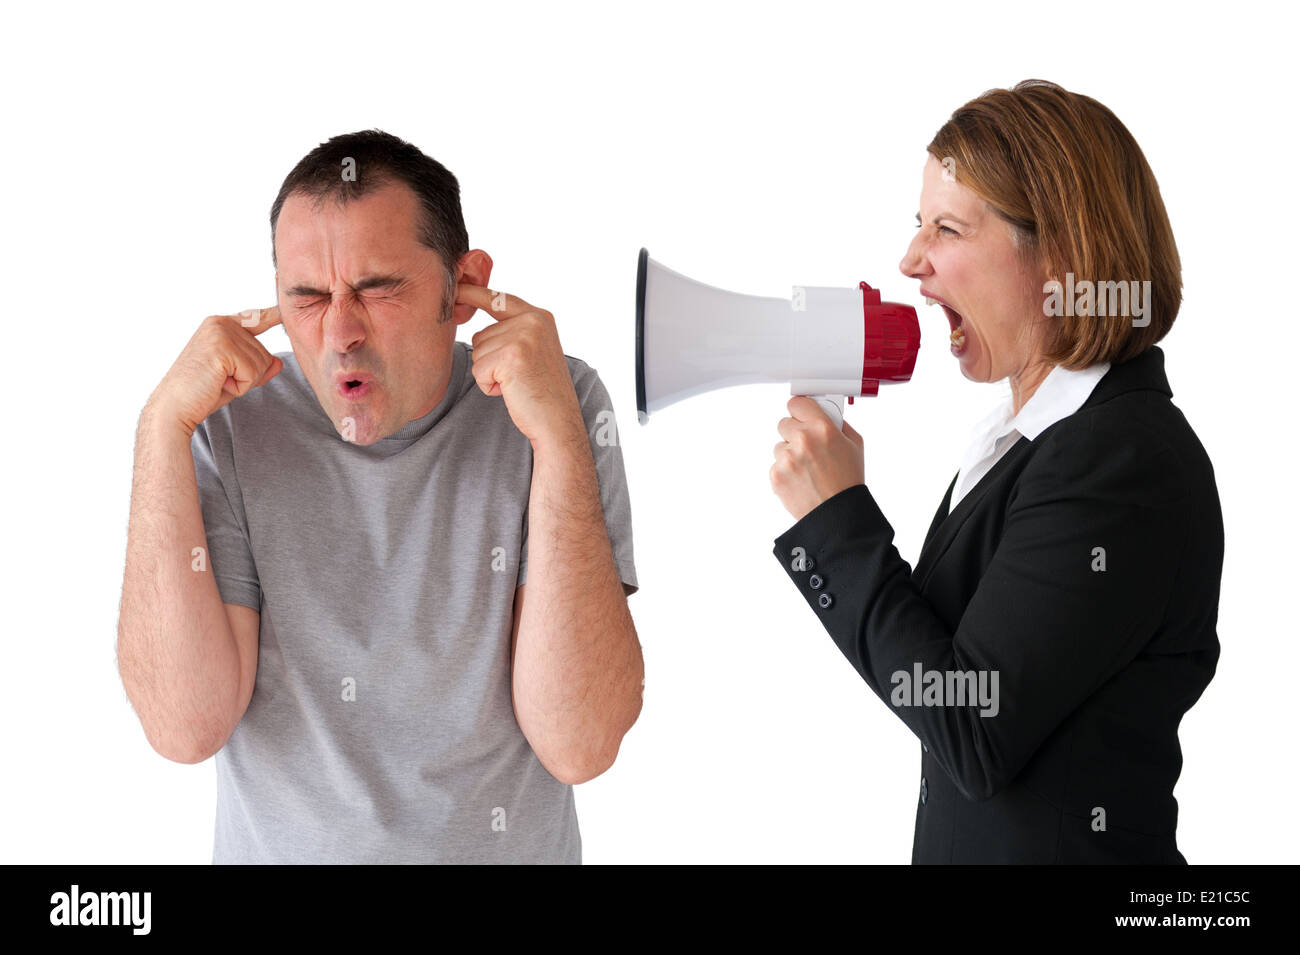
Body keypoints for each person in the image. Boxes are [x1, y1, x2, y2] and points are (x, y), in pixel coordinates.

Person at [116, 129, 643, 864]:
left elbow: (580, 741)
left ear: (463, 288)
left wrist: (554, 435)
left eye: (376, 288)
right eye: (306, 296)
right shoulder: (227, 422)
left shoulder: (558, 396)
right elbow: (183, 727)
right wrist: (159, 429)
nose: (339, 332)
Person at [768, 80, 1222, 863]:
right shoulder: (1030, 441)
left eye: (947, 228)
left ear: (1061, 257)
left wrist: (836, 522)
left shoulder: (1122, 459)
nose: (911, 260)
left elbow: (974, 725)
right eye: (919, 225)